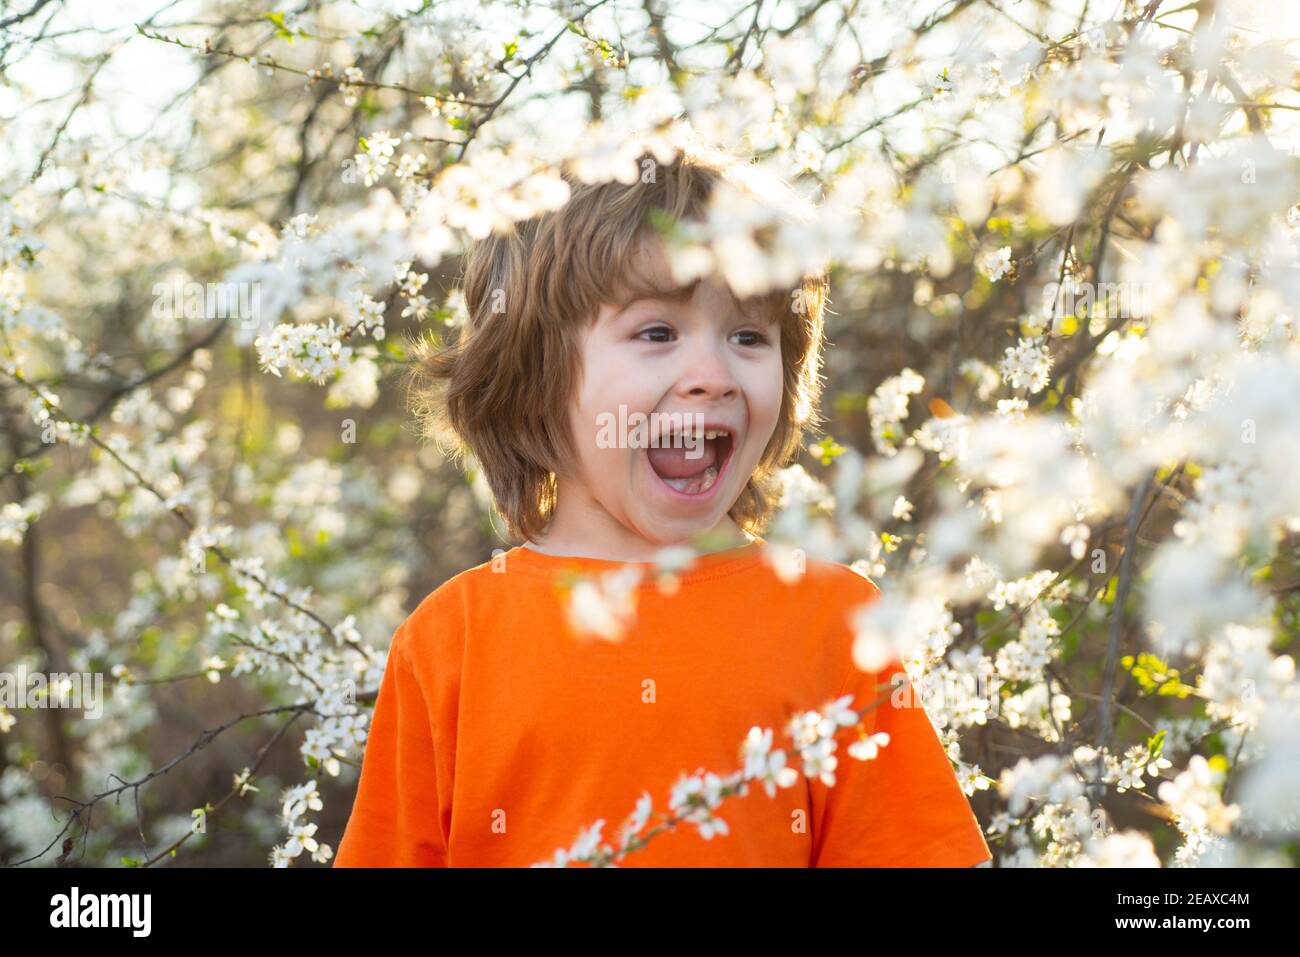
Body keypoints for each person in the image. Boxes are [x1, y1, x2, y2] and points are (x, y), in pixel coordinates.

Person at [333, 140, 992, 868]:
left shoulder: (836, 626)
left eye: (748, 335)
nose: (711, 374)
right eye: (657, 332)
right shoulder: (447, 642)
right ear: (529, 377)